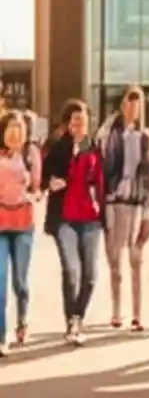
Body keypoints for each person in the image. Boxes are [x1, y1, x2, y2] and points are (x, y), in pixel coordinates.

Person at [96, 86, 149, 331]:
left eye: (138, 104)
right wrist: (111, 122)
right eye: (129, 102)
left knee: (136, 259)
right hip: (114, 202)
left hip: (136, 202)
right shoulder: (110, 136)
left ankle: (136, 313)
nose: (133, 108)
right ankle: (116, 310)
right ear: (122, 105)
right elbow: (99, 153)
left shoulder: (147, 139)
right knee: (115, 260)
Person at [41, 100, 103, 347]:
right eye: (74, 119)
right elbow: (42, 178)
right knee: (72, 270)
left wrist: (104, 214)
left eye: (83, 119)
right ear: (68, 123)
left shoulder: (94, 148)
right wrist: (50, 184)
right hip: (64, 218)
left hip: (90, 219)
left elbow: (101, 182)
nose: (79, 124)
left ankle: (79, 315)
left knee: (90, 276)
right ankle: (71, 320)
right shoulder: (58, 147)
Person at [0, 110, 40, 356]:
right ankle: (1, 335)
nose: (15, 131)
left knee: (20, 283)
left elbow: (37, 188)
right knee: (0, 282)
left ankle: (22, 320)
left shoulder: (31, 154)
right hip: (0, 225)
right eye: (10, 127)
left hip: (24, 224)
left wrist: (32, 194)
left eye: (19, 127)